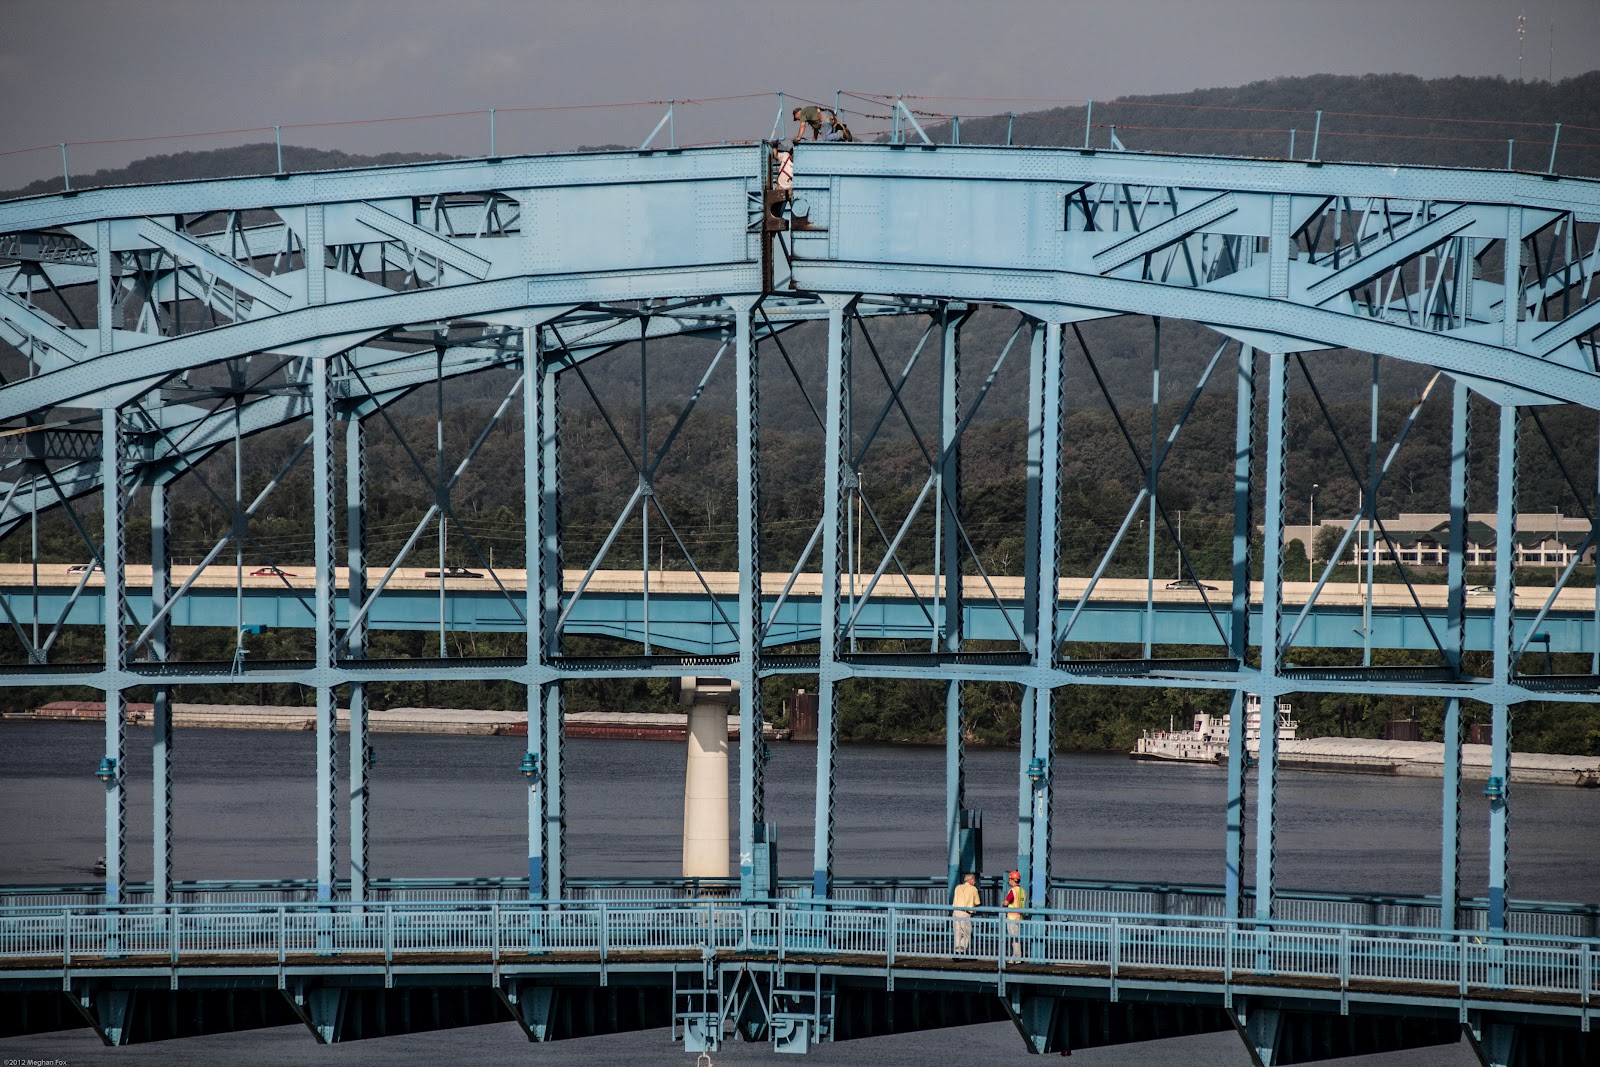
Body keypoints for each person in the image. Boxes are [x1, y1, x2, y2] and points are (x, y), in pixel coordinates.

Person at [950, 872, 981, 955]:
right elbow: (977, 902)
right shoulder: (973, 889)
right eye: (974, 880)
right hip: (965, 913)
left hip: (956, 912)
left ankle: (956, 951)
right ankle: (961, 950)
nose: (974, 882)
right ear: (970, 880)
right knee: (967, 933)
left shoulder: (958, 887)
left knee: (957, 933)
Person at [1003, 869, 1027, 960]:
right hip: (1019, 916)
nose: (1009, 881)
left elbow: (1006, 903)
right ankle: (1017, 955)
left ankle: (1016, 956)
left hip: (1012, 917)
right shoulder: (1022, 891)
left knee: (1014, 938)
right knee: (1016, 937)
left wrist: (1003, 903)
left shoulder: (1013, 891)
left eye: (1009, 879)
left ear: (1013, 880)